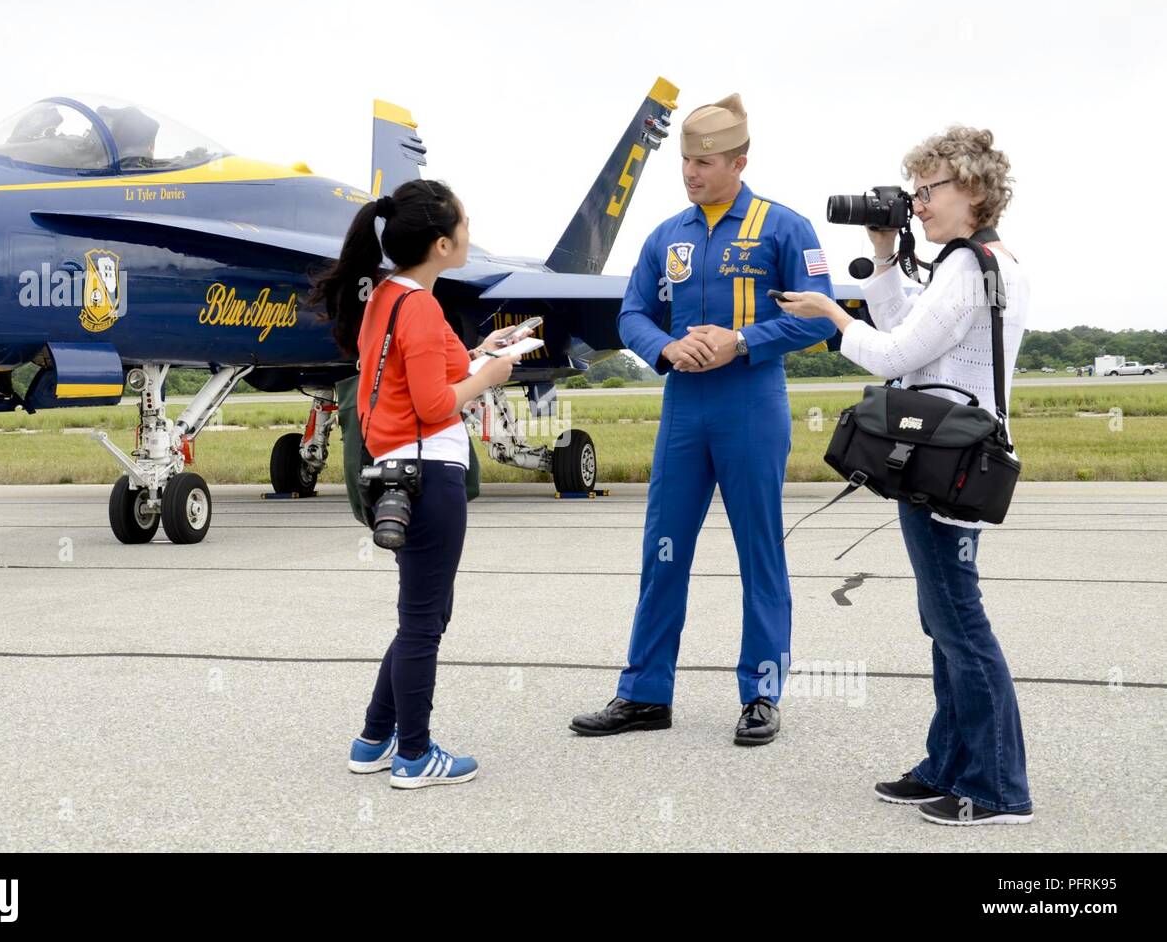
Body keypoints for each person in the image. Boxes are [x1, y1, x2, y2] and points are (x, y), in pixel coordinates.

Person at [777, 126, 1034, 825]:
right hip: (939, 461)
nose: (916, 203)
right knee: (944, 623)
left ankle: (997, 788)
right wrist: (886, 258)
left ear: (973, 191)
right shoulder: (966, 262)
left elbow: (893, 355)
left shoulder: (973, 264)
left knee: (959, 626)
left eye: (928, 190)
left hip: (948, 465)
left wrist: (834, 316)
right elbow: (907, 338)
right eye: (914, 191)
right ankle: (947, 766)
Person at [570, 93, 837, 746]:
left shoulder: (786, 227)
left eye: (706, 162)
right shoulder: (666, 236)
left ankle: (761, 694)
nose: (691, 173)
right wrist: (663, 347)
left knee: (760, 553)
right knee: (663, 550)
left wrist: (742, 340)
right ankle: (644, 692)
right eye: (686, 161)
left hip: (752, 404)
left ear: (740, 161)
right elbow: (630, 313)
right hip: (684, 410)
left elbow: (820, 311)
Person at [308, 178, 517, 789]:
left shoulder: (390, 298)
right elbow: (433, 403)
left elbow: (431, 371)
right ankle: (415, 756)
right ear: (442, 244)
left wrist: (485, 351)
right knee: (424, 621)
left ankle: (375, 738)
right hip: (430, 474)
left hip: (399, 467)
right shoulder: (420, 307)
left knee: (422, 615)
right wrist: (495, 375)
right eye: (465, 224)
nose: (471, 233)